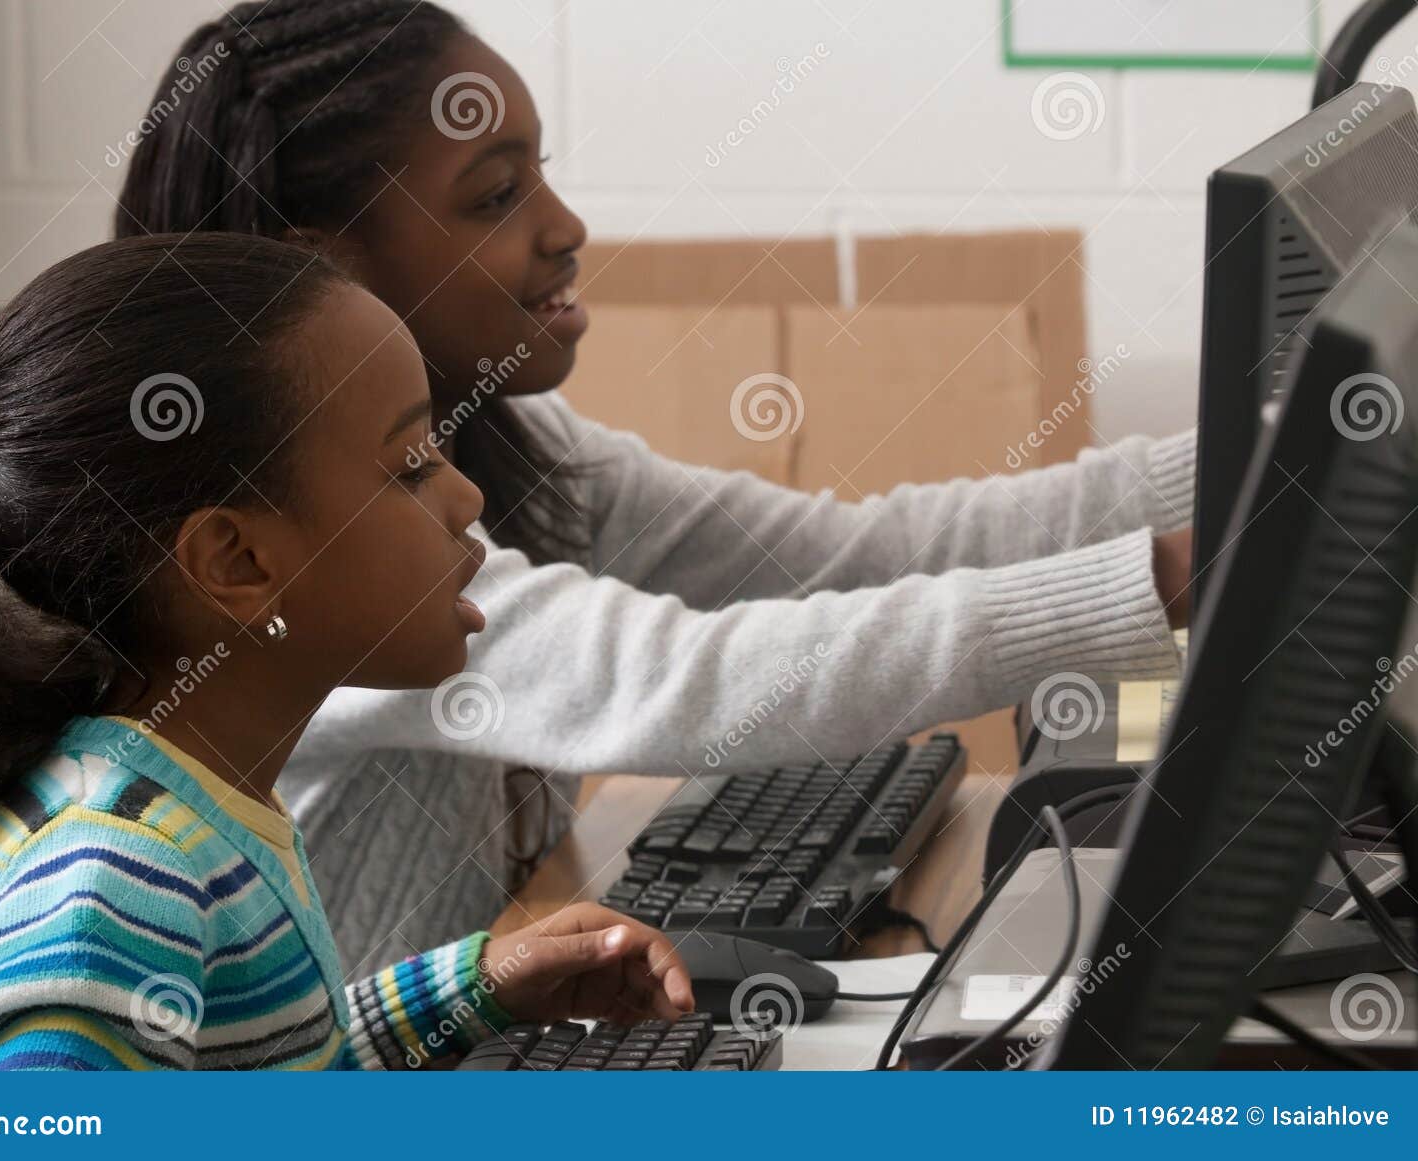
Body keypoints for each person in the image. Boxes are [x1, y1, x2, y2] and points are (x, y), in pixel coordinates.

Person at [115, 0, 1196, 972]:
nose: (565, 227)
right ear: (326, 275)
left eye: (540, 172)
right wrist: (1153, 584)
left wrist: (1255, 459)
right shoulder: (303, 558)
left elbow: (857, 551)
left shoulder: (500, 447)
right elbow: (697, 682)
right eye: (496, 194)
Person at [0, 232, 691, 1071]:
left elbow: (271, 1072)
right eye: (412, 464)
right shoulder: (113, 884)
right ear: (236, 562)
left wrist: (475, 988)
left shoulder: (196, 804)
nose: (465, 497)